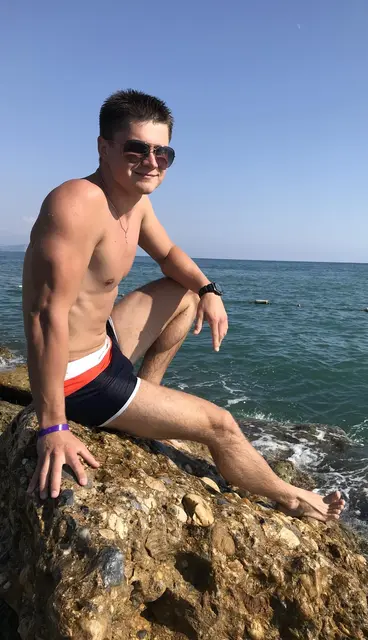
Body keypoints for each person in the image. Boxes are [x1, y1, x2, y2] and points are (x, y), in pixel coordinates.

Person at [22, 89, 345, 522]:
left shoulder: (136, 203)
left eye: (163, 153)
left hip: (103, 346)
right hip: (77, 378)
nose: (152, 162)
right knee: (220, 425)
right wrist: (53, 427)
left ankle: (147, 398)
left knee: (185, 296)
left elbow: (170, 254)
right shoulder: (77, 203)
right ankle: (292, 498)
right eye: (137, 149)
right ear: (104, 147)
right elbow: (46, 316)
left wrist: (209, 290)